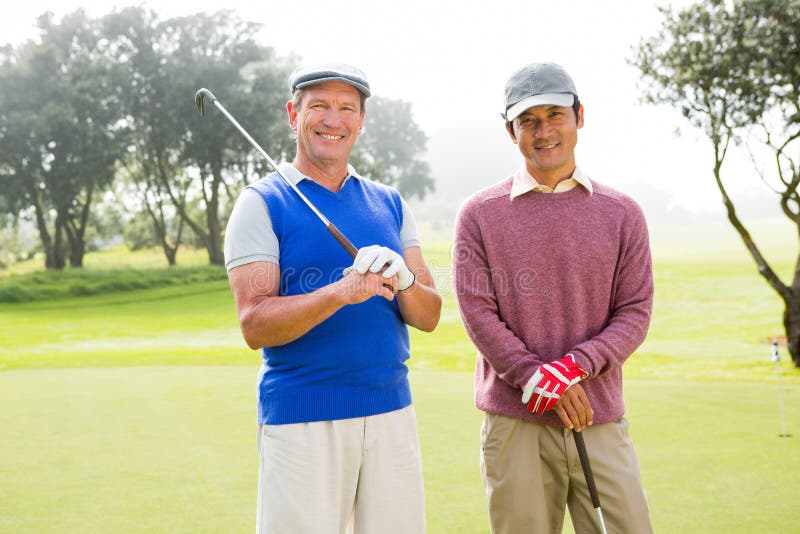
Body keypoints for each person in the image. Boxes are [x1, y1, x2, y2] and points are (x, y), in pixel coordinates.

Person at [224, 63, 441, 533]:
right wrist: (341, 292)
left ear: (360, 122)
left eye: (347, 108)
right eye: (319, 105)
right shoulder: (262, 203)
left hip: (391, 412)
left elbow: (429, 314)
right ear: (292, 113)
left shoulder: (390, 203)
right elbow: (255, 324)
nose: (333, 119)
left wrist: (404, 281)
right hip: (304, 419)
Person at [452, 62, 654, 533]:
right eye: (528, 121)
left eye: (554, 115)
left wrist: (572, 368)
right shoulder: (478, 214)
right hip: (515, 422)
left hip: (596, 413)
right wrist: (534, 376)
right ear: (511, 131)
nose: (543, 131)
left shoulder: (623, 213)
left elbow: (635, 311)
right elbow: (478, 312)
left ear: (579, 116)